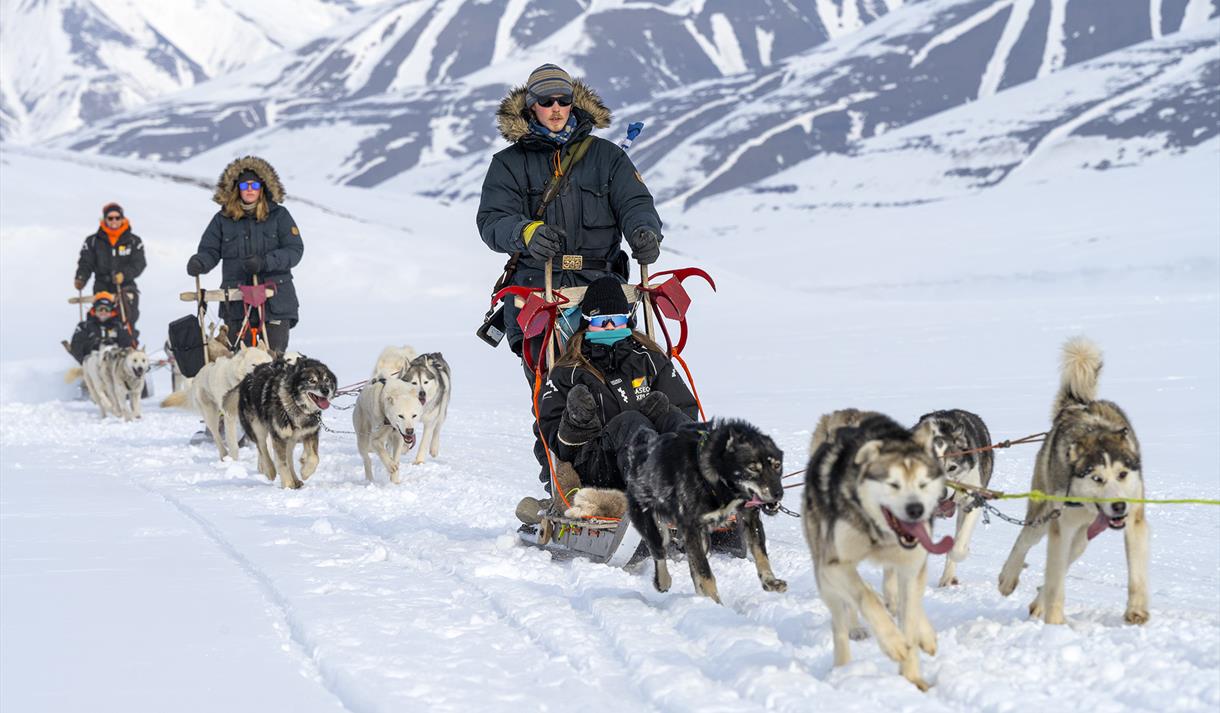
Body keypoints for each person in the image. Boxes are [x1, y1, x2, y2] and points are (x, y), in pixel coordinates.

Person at [477, 63, 665, 368]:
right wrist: (526, 233)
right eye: (546, 101)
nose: (556, 108)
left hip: (602, 290)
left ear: (572, 103)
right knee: (551, 391)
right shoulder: (508, 164)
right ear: (530, 106)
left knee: (615, 380)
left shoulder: (607, 156)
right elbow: (492, 220)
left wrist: (645, 232)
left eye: (563, 100)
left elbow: (635, 203)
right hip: (538, 290)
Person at [519, 277, 698, 521]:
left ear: (628, 318)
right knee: (631, 422)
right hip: (596, 466)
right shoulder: (567, 371)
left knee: (674, 419)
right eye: (602, 320)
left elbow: (686, 410)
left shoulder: (649, 358)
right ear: (587, 322)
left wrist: (659, 414)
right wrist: (577, 424)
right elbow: (554, 441)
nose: (611, 326)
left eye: (619, 318)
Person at [185, 156, 302, 353]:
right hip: (237, 304)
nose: (250, 189)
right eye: (244, 185)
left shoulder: (280, 216)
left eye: (254, 185)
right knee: (239, 366)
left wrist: (265, 263)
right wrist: (200, 262)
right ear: (236, 188)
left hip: (275, 302)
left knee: (274, 361)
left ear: (262, 187)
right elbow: (210, 250)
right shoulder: (222, 219)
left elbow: (295, 250)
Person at [74, 202, 145, 343]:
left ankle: (128, 346)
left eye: (117, 217)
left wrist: (124, 274)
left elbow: (139, 263)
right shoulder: (93, 241)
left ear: (122, 219)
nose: (114, 221)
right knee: (101, 316)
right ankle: (96, 348)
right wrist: (81, 277)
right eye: (110, 218)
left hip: (125, 286)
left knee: (128, 318)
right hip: (102, 285)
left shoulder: (133, 241)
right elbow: (86, 262)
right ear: (105, 219)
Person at [68, 292, 133, 363]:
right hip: (91, 364)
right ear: (95, 310)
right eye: (100, 309)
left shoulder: (119, 326)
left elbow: (127, 345)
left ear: (111, 311)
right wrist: (93, 345)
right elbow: (76, 346)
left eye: (106, 309)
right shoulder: (84, 326)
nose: (103, 312)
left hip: (114, 365)